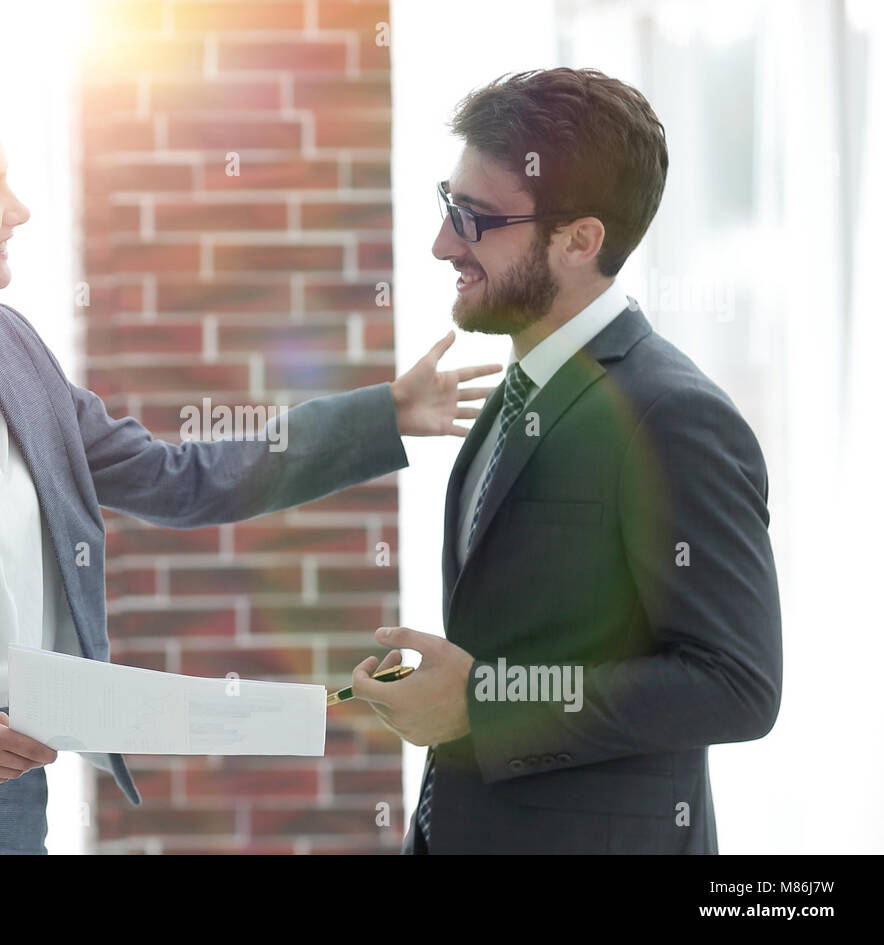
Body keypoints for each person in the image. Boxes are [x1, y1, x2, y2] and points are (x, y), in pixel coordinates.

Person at [0, 72, 502, 854]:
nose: (17, 211)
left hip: (18, 812)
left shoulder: (12, 349)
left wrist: (380, 417)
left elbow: (177, 477)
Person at [348, 67, 782, 854]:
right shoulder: (512, 391)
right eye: (448, 204)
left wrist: (483, 702)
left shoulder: (676, 416)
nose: (442, 242)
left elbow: (737, 685)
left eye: (473, 218)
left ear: (581, 240)